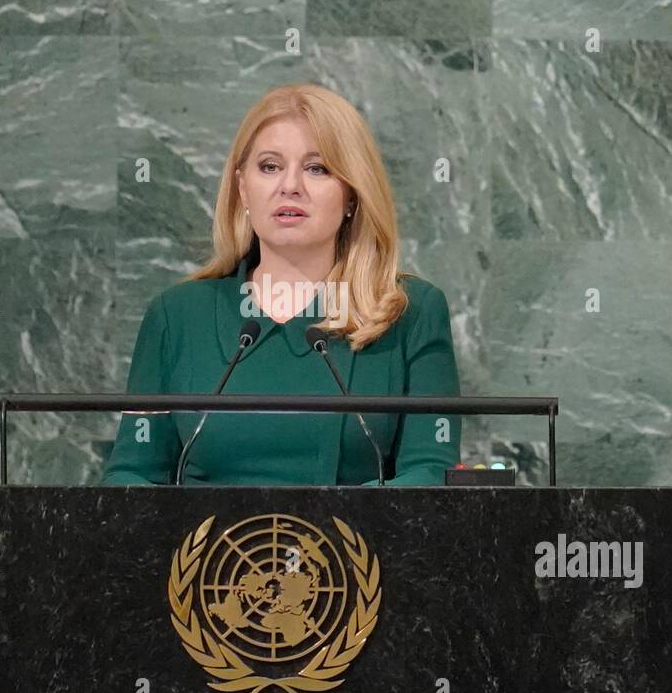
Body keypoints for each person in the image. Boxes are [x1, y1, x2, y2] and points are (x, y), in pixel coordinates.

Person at [100, 82, 461, 485]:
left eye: (317, 168)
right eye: (269, 166)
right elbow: (130, 476)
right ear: (243, 188)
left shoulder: (410, 311)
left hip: (354, 547)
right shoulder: (177, 315)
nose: (290, 186)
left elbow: (430, 474)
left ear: (352, 196)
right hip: (203, 549)